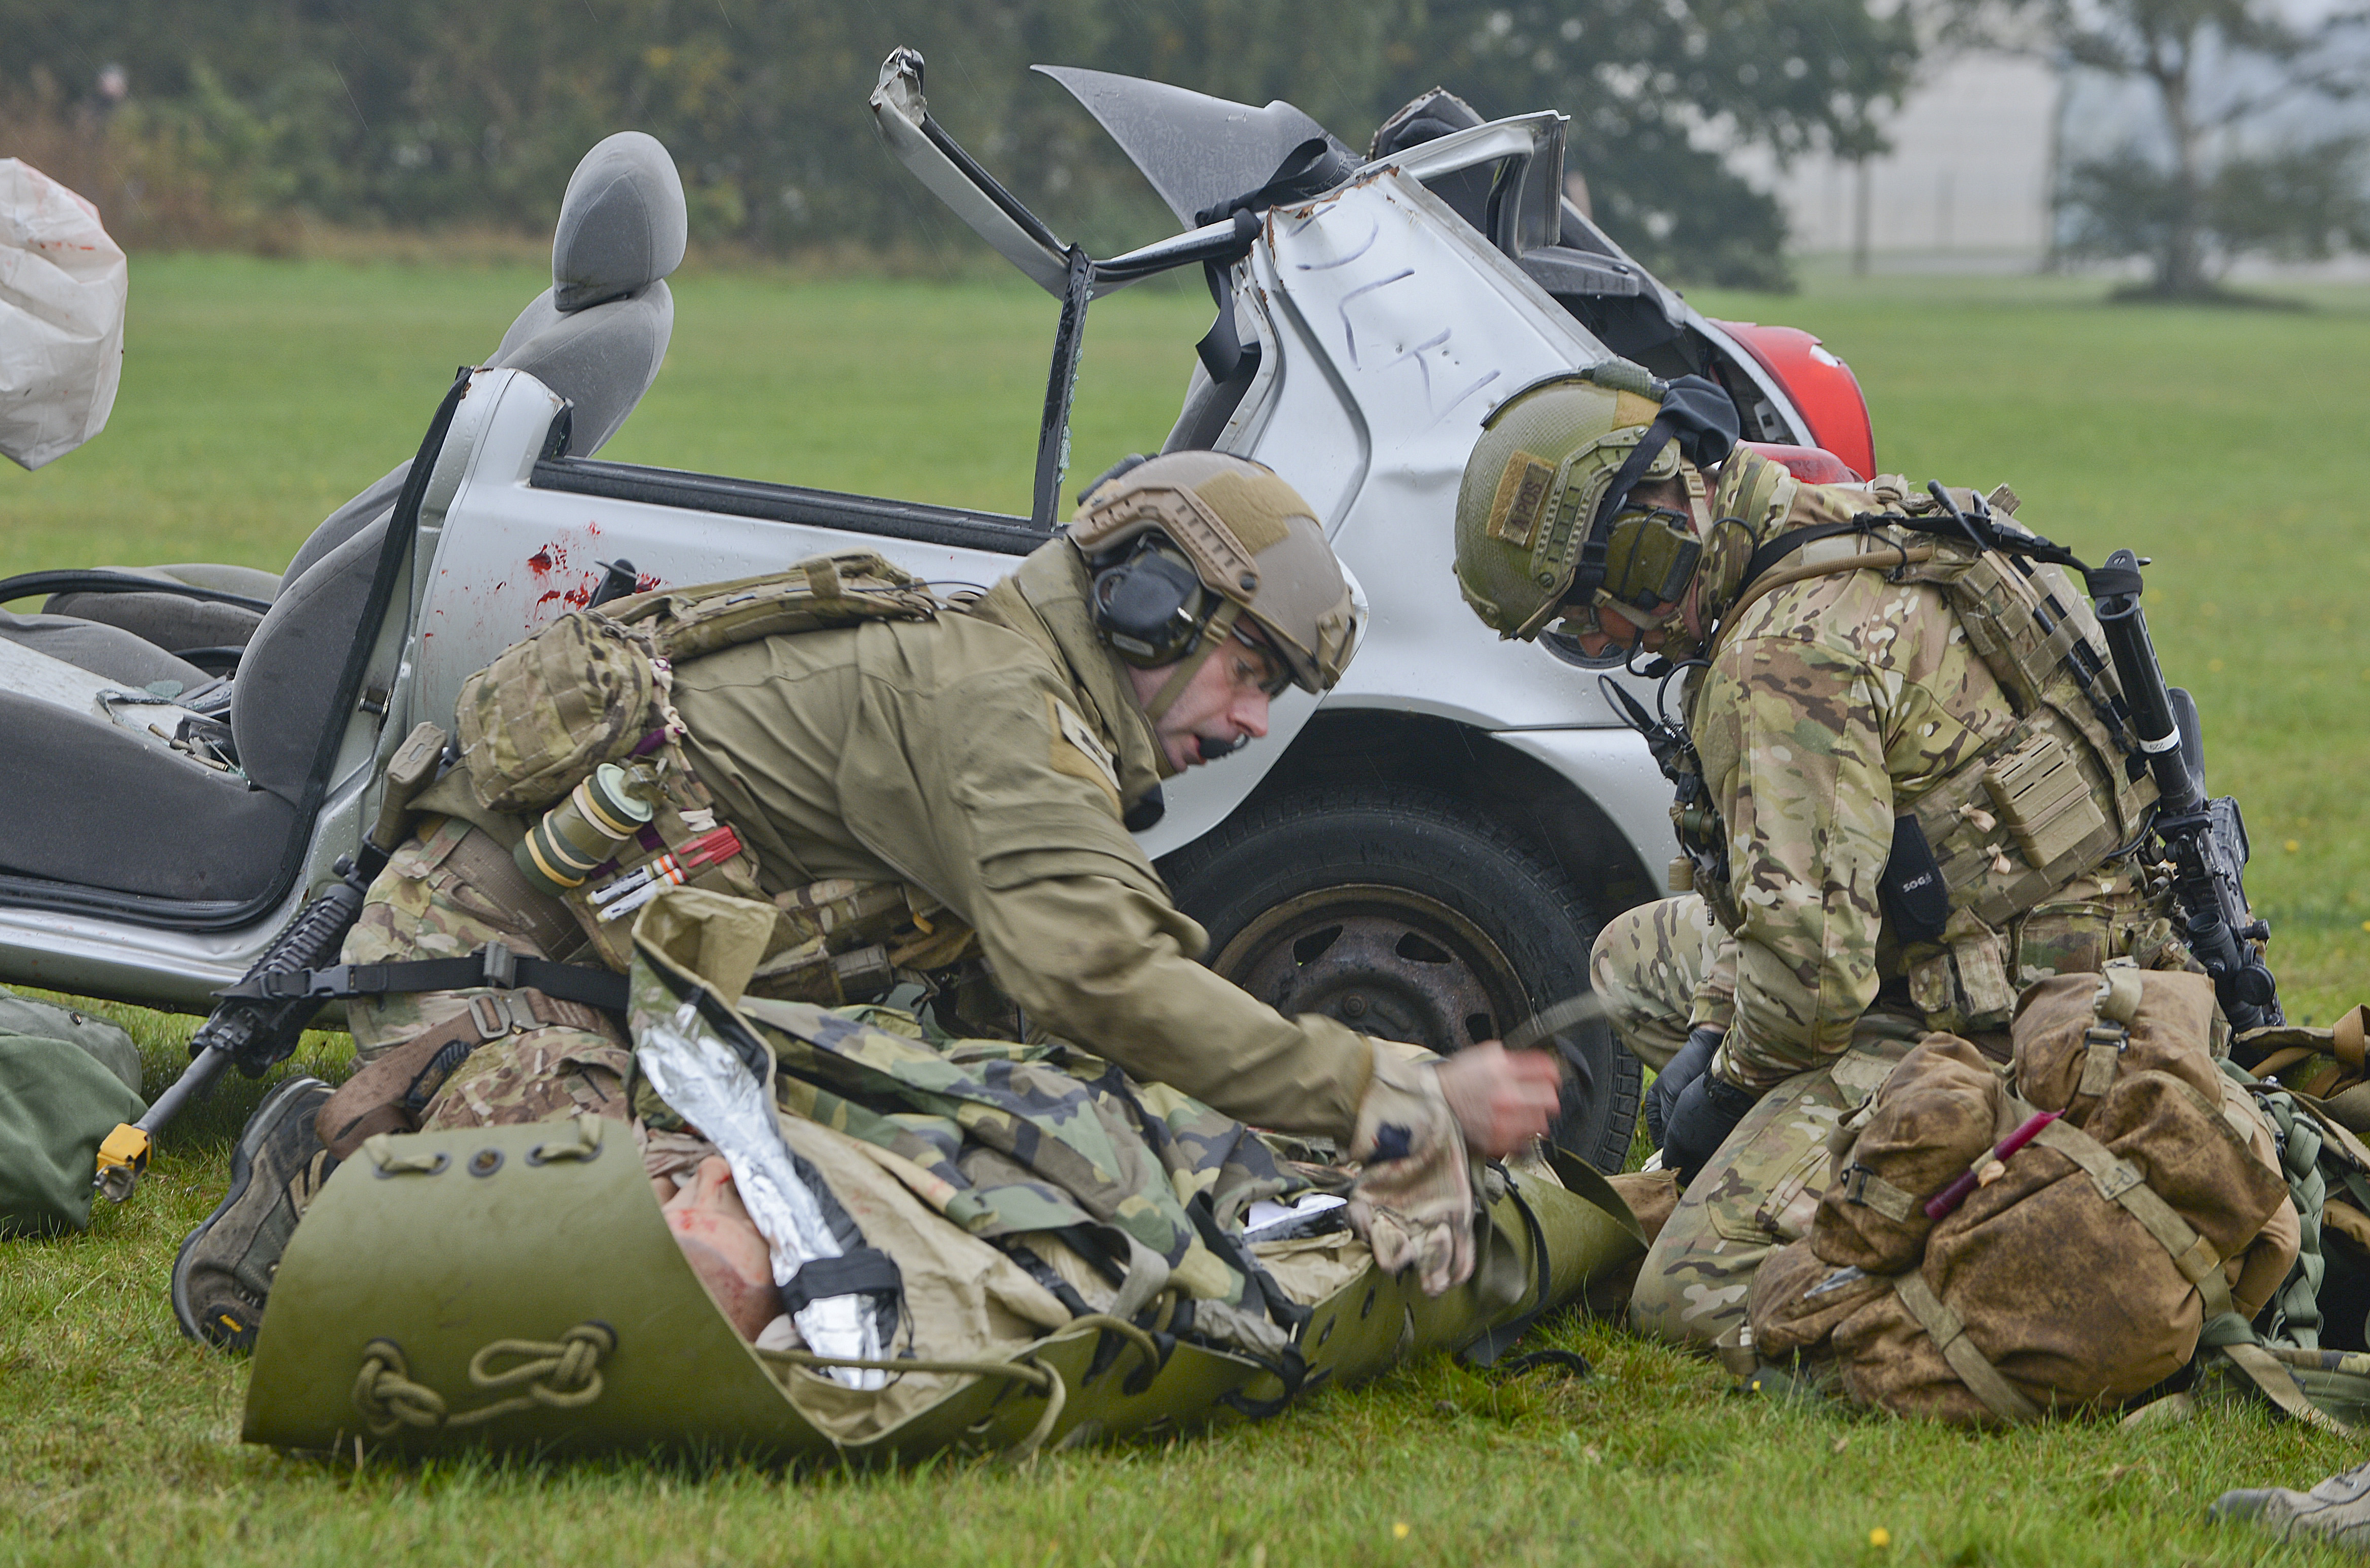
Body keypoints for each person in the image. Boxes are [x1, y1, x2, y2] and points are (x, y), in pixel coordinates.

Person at [176, 451, 1563, 1350]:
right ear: (1151, 609)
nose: (1254, 722)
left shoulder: (1014, 695)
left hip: (658, 995)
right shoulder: (999, 716)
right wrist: (1395, 1094)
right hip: (494, 970)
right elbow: (1109, 981)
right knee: (701, 1282)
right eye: (1251, 672)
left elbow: (1093, 1007)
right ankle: (341, 1162)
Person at [1450, 360, 2194, 1350]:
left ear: (1646, 550)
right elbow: (1794, 904)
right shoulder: (1848, 521)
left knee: (1689, 1291)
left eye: (1589, 617)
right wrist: (1713, 1023)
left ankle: (1967, 1239)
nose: (1604, 643)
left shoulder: (1777, 660)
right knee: (1633, 961)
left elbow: (1811, 984)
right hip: (2049, 948)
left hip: (1996, 1020)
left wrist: (1721, 1087)